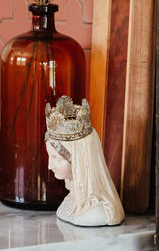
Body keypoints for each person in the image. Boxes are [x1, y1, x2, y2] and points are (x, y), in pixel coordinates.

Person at [44, 96, 124, 227]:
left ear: (79, 160)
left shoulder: (97, 213)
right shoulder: (70, 201)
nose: (49, 166)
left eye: (57, 158)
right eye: (50, 156)